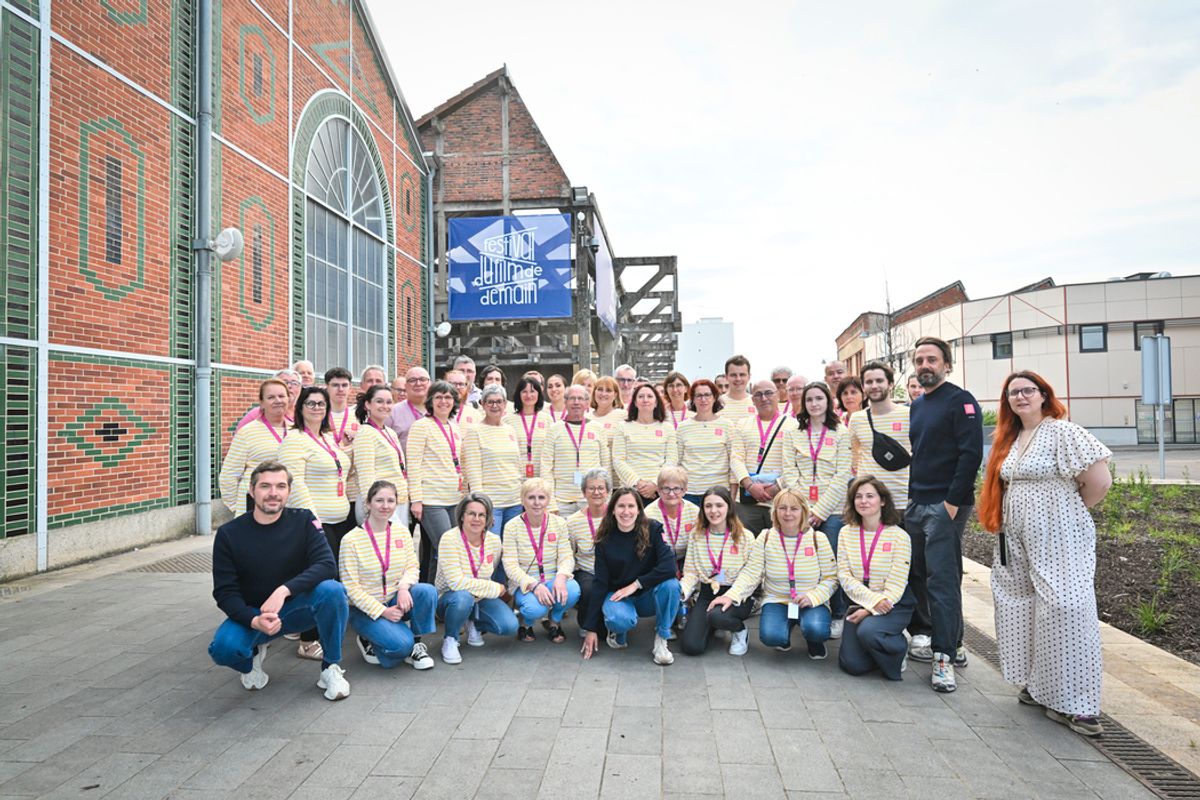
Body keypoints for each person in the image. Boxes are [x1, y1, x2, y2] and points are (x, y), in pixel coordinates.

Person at [978, 371, 1112, 735]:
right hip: (1015, 535)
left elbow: (1099, 481)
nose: (1020, 397)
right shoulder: (1010, 437)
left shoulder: (1063, 432)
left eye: (1027, 391)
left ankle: (1077, 704)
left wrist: (1064, 514)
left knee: (1066, 607)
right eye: (1012, 393)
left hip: (1059, 532)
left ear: (1042, 395)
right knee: (1020, 604)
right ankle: (1038, 686)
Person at [208, 461, 350, 700]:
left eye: (280, 486)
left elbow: (326, 565)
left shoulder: (303, 520)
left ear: (288, 492)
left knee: (333, 591)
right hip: (253, 613)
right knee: (223, 650)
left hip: (295, 609)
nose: (273, 493)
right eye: (265, 486)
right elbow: (224, 593)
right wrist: (253, 621)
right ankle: (251, 655)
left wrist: (284, 590)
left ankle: (330, 667)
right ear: (252, 491)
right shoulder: (229, 534)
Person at [903, 340, 983, 693]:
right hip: (917, 502)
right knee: (921, 574)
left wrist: (951, 504)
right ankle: (957, 643)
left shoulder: (961, 401)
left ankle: (943, 658)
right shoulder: (918, 405)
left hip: (945, 505)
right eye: (919, 360)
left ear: (946, 364)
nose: (925, 365)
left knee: (942, 580)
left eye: (932, 359)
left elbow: (970, 456)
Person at [712, 488, 837, 657]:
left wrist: (813, 597)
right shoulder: (766, 537)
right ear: (775, 511)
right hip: (777, 599)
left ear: (804, 511)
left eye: (794, 509)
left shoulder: (817, 539)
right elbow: (751, 572)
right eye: (782, 508)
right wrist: (731, 595)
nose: (788, 514)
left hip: (811, 601)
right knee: (771, 636)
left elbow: (831, 578)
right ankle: (784, 635)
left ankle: (813, 640)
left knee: (816, 629)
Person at [339, 480, 436, 670]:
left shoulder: (401, 532)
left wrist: (403, 587)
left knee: (426, 591)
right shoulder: (350, 540)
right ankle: (368, 638)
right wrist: (383, 612)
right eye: (379, 500)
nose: (385, 506)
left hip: (394, 598)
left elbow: (412, 566)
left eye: (391, 501)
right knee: (399, 646)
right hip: (365, 610)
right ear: (368, 503)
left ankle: (415, 643)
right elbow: (351, 588)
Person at [782, 381, 853, 638]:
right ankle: (801, 609)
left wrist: (820, 511)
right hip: (800, 510)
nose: (814, 404)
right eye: (809, 399)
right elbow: (789, 473)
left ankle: (837, 613)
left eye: (819, 399)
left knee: (832, 561)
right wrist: (805, 508)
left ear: (828, 402)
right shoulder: (793, 433)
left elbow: (842, 475)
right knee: (801, 560)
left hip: (833, 510)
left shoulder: (841, 433)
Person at [579, 488, 681, 665]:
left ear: (639, 509)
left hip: (647, 595)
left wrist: (637, 584)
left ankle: (662, 639)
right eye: (621, 506)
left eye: (631, 506)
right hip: (618, 596)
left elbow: (669, 567)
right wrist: (591, 628)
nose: (626, 512)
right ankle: (618, 632)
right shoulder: (604, 540)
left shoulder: (654, 528)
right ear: (612, 509)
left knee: (672, 586)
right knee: (619, 619)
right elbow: (600, 583)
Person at [837, 476, 915, 681]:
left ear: (882, 501)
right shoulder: (845, 533)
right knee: (852, 664)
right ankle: (879, 650)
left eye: (870, 496)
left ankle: (898, 649)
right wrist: (869, 605)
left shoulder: (900, 536)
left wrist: (870, 609)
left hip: (893, 603)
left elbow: (897, 584)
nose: (863, 501)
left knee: (868, 632)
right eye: (858, 496)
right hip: (861, 601)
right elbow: (844, 576)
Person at [434, 493, 519, 663]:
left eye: (482, 515)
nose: (476, 519)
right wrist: (497, 589)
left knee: (510, 626)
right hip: (451, 598)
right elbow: (456, 582)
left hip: (480, 598)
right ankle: (450, 639)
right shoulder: (449, 538)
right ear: (462, 516)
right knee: (463, 597)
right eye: (471, 513)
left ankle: (473, 621)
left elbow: (492, 571)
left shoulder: (494, 541)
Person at [503, 478, 580, 643]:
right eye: (531, 497)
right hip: (526, 581)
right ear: (522, 500)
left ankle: (554, 622)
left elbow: (566, 556)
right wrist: (534, 585)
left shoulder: (559, 523)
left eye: (541, 497)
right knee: (535, 609)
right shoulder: (512, 526)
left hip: (553, 578)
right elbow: (509, 565)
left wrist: (561, 577)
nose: (536, 503)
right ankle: (526, 623)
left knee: (572, 590)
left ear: (548, 500)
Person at [679, 487, 752, 656]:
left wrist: (731, 595)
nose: (714, 511)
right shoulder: (697, 535)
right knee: (691, 646)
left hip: (737, 593)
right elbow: (691, 571)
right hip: (707, 592)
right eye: (708, 506)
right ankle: (712, 623)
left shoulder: (745, 537)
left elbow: (750, 574)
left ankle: (739, 630)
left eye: (719, 505)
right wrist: (681, 591)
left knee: (718, 617)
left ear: (729, 507)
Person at [408, 379, 467, 582]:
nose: (444, 401)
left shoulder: (454, 426)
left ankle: (435, 599)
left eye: (448, 397)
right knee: (448, 550)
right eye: (439, 397)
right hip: (432, 500)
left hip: (455, 498)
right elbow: (413, 464)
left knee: (442, 552)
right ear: (431, 401)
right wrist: (416, 500)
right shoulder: (420, 426)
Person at [848, 365, 911, 547]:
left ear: (890, 384)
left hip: (902, 501)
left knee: (906, 562)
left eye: (879, 380)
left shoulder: (909, 414)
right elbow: (853, 455)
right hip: (869, 504)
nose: (874, 385)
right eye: (869, 381)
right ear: (863, 386)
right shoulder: (857, 419)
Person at [731, 379, 798, 534]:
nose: (764, 398)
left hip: (781, 499)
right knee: (748, 547)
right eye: (758, 395)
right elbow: (736, 459)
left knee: (779, 548)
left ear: (778, 395)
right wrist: (749, 485)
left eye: (768, 393)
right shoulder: (743, 424)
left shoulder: (793, 425)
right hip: (748, 501)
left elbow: (797, 463)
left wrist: (778, 486)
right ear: (753, 400)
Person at [219, 378, 290, 514]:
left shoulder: (297, 430)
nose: (278, 400)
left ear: (288, 399)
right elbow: (229, 474)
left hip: (287, 504)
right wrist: (237, 507)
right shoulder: (247, 432)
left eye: (282, 396)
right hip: (253, 506)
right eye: (271, 397)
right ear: (261, 403)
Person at [462, 385, 524, 538]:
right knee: (491, 549)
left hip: (514, 501)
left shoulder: (510, 430)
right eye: (490, 402)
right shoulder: (474, 431)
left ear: (505, 404)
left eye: (499, 401)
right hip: (491, 504)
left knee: (510, 549)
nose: (495, 406)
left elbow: (517, 466)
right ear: (482, 404)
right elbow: (473, 471)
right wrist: (481, 505)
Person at [542, 385, 610, 516]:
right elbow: (546, 468)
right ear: (565, 402)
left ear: (587, 403)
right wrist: (551, 503)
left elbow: (605, 466)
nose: (576, 402)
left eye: (580, 398)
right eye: (572, 398)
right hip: (561, 502)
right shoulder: (554, 429)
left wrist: (606, 498)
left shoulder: (598, 429)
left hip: (591, 500)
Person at [353, 384, 410, 528]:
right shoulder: (366, 433)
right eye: (379, 401)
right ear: (367, 405)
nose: (385, 406)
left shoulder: (390, 432)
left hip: (397, 500)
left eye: (389, 402)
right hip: (379, 505)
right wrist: (370, 508)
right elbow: (366, 474)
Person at [611, 382, 678, 499]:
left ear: (656, 402)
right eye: (641, 397)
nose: (645, 400)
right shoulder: (622, 427)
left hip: (660, 491)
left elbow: (671, 460)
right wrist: (637, 483)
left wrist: (655, 484)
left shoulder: (667, 428)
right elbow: (618, 460)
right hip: (630, 491)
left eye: (650, 396)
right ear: (635, 403)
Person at [567, 468, 612, 639]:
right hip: (587, 571)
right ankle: (587, 622)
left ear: (608, 491)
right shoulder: (572, 522)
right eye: (591, 488)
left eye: (601, 488)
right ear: (584, 492)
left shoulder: (617, 515)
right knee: (588, 588)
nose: (596, 492)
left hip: (612, 570)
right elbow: (569, 553)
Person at [675, 378, 731, 507]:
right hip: (690, 493)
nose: (703, 399)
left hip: (719, 492)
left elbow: (731, 461)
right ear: (692, 399)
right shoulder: (683, 427)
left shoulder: (727, 425)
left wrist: (732, 495)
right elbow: (677, 461)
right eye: (698, 396)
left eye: (707, 395)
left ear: (715, 397)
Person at [644, 465, 698, 577]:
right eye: (666, 488)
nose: (671, 494)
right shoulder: (648, 514)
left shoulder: (695, 512)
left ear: (685, 490)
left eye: (677, 489)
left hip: (688, 561)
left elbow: (698, 549)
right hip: (658, 562)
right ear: (658, 490)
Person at [504, 376, 552, 480]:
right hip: (515, 477)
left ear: (539, 393)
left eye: (532, 391)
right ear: (518, 394)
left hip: (541, 477)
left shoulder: (547, 419)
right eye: (524, 391)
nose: (528, 395)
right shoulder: (507, 420)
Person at [389, 366, 430, 451]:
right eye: (412, 380)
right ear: (406, 386)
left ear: (430, 383)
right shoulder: (393, 412)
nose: (418, 383)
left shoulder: (439, 410)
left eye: (423, 379)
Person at [589, 375, 625, 442]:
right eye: (600, 389)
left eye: (608, 390)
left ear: (615, 395)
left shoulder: (623, 416)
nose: (603, 394)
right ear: (594, 392)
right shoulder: (586, 417)